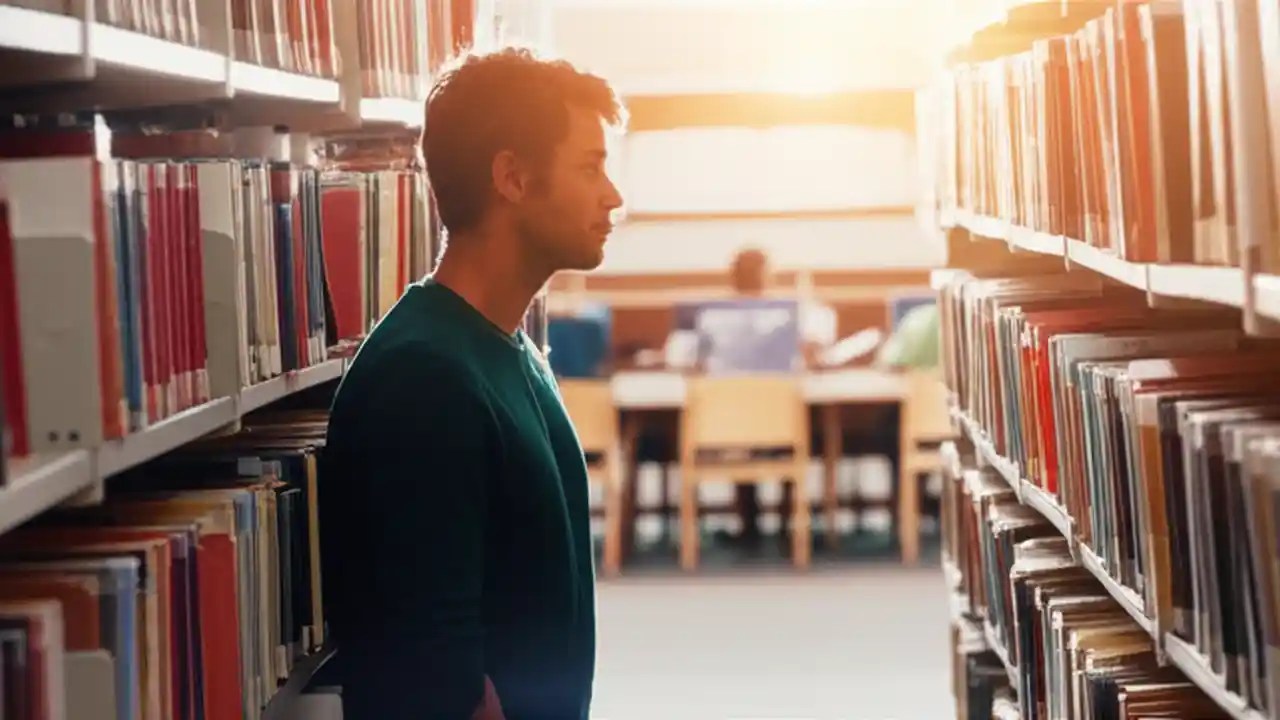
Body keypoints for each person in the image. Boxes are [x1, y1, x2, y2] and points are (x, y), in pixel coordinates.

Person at [320, 48, 624, 720]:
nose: (613, 196)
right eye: (590, 166)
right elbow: (436, 674)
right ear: (512, 177)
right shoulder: (422, 377)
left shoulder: (507, 347)